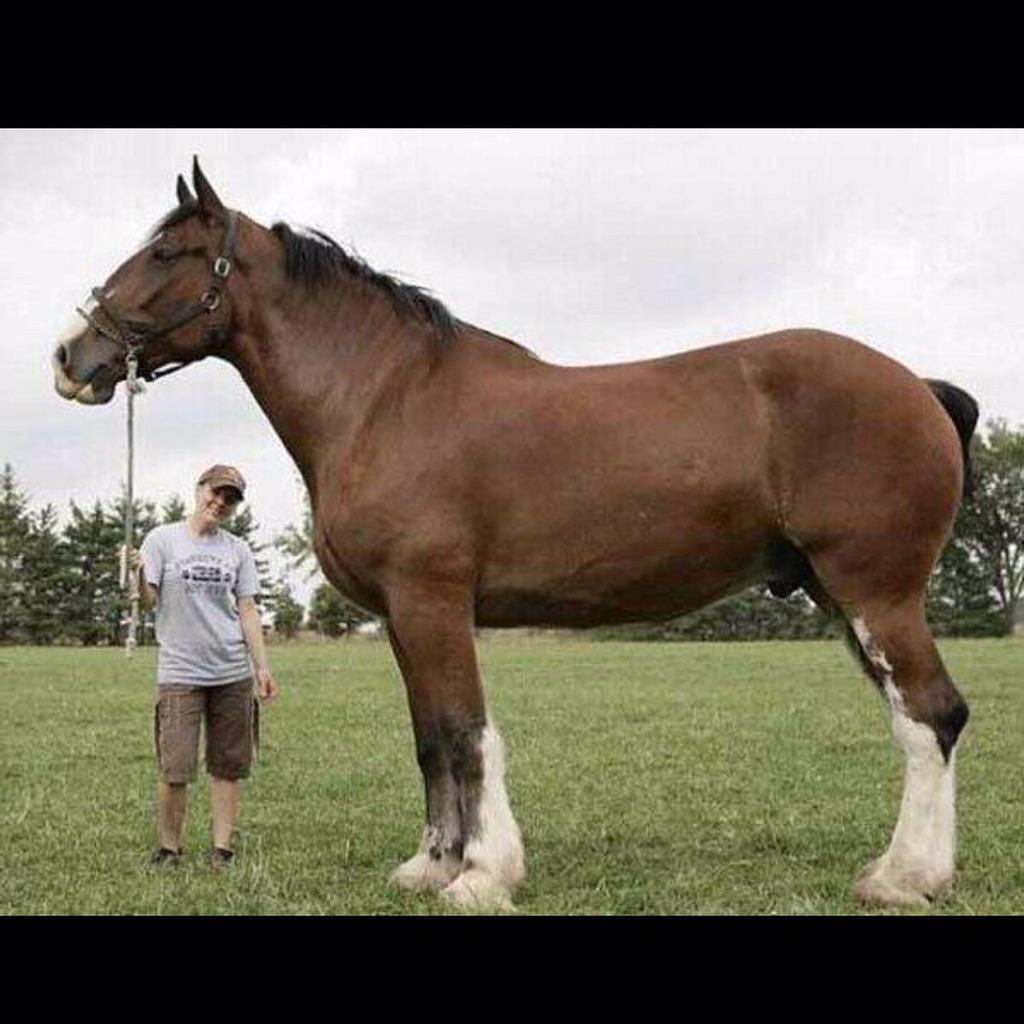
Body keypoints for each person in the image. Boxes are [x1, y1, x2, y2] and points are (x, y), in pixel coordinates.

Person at [136, 465, 279, 866]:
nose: (220, 503)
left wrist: (261, 667)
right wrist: (137, 575)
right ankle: (169, 848)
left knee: (227, 766)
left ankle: (222, 849)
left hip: (231, 671)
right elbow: (148, 598)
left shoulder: (237, 549)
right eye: (215, 493)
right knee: (175, 766)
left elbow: (247, 609)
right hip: (180, 671)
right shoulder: (162, 539)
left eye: (230, 499)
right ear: (199, 490)